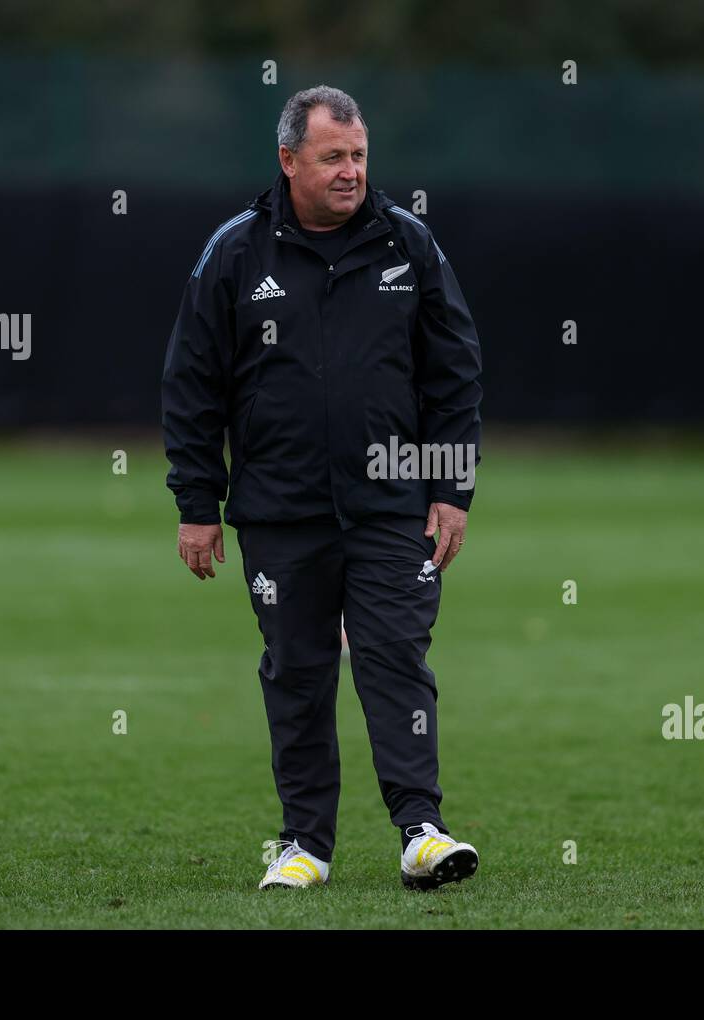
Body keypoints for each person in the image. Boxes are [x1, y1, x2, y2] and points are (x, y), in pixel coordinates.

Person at [161, 85, 483, 891]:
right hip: (280, 512)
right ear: (289, 160)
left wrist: (452, 489)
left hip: (392, 508)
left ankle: (422, 831)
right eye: (333, 157)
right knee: (298, 672)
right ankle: (304, 845)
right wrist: (198, 505)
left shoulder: (409, 244)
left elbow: (455, 374)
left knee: (396, 661)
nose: (350, 172)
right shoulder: (235, 252)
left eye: (359, 156)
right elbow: (192, 385)